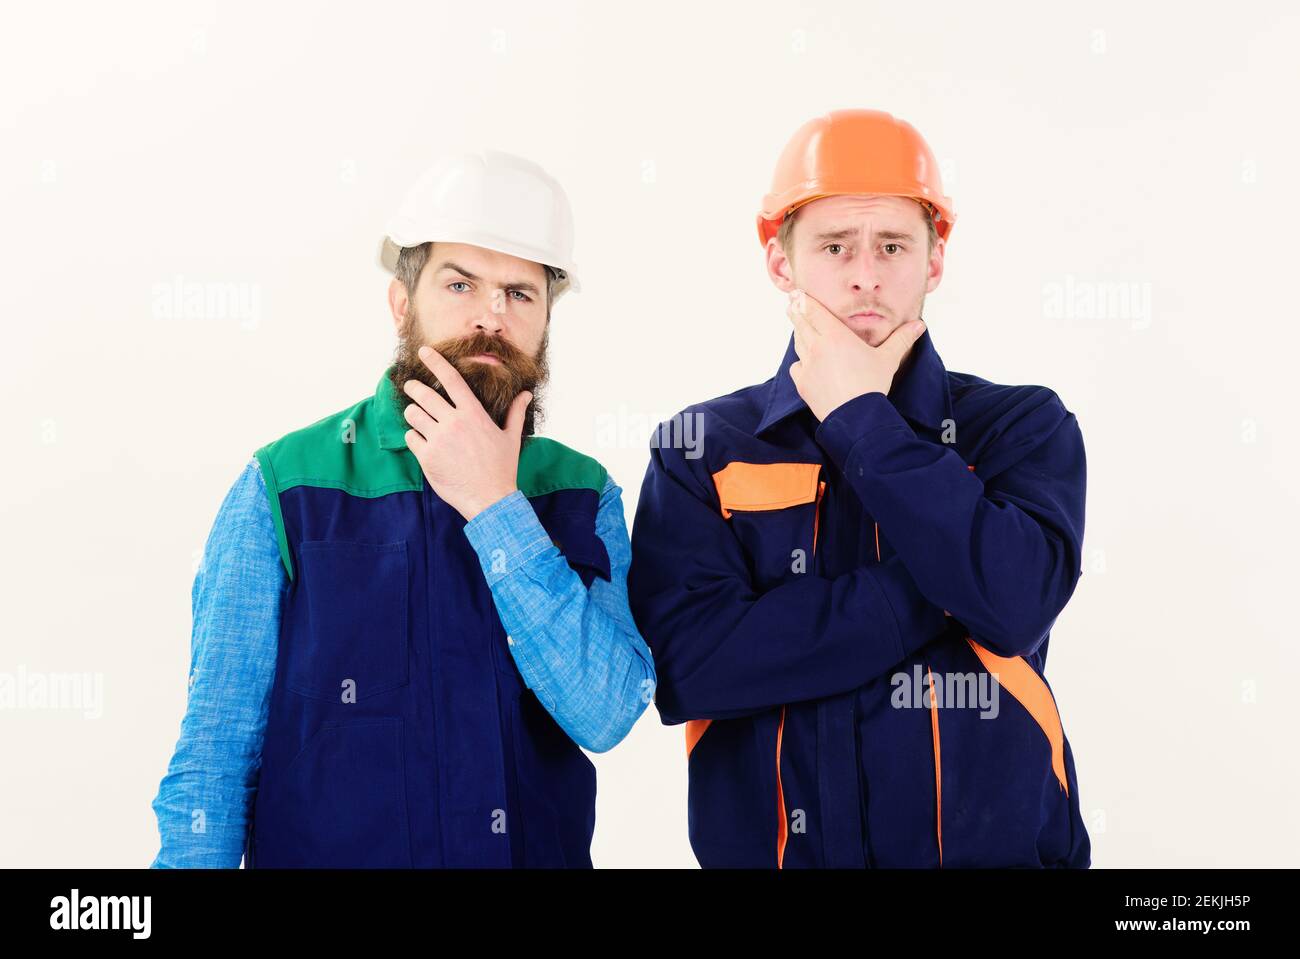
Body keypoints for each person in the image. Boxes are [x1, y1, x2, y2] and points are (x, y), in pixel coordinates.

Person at [151, 150, 656, 868]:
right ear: (401, 304)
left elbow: (605, 711)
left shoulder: (582, 493)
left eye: (521, 292)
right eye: (461, 284)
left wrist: (495, 505)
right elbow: (215, 757)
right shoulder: (286, 488)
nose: (491, 316)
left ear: (547, 316)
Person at [627, 109, 1090, 868]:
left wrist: (861, 419)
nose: (865, 274)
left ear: (935, 260)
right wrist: (942, 582)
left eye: (894, 246)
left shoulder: (1020, 428)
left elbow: (1012, 603)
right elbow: (690, 668)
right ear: (781, 262)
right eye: (834, 246)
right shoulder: (700, 451)